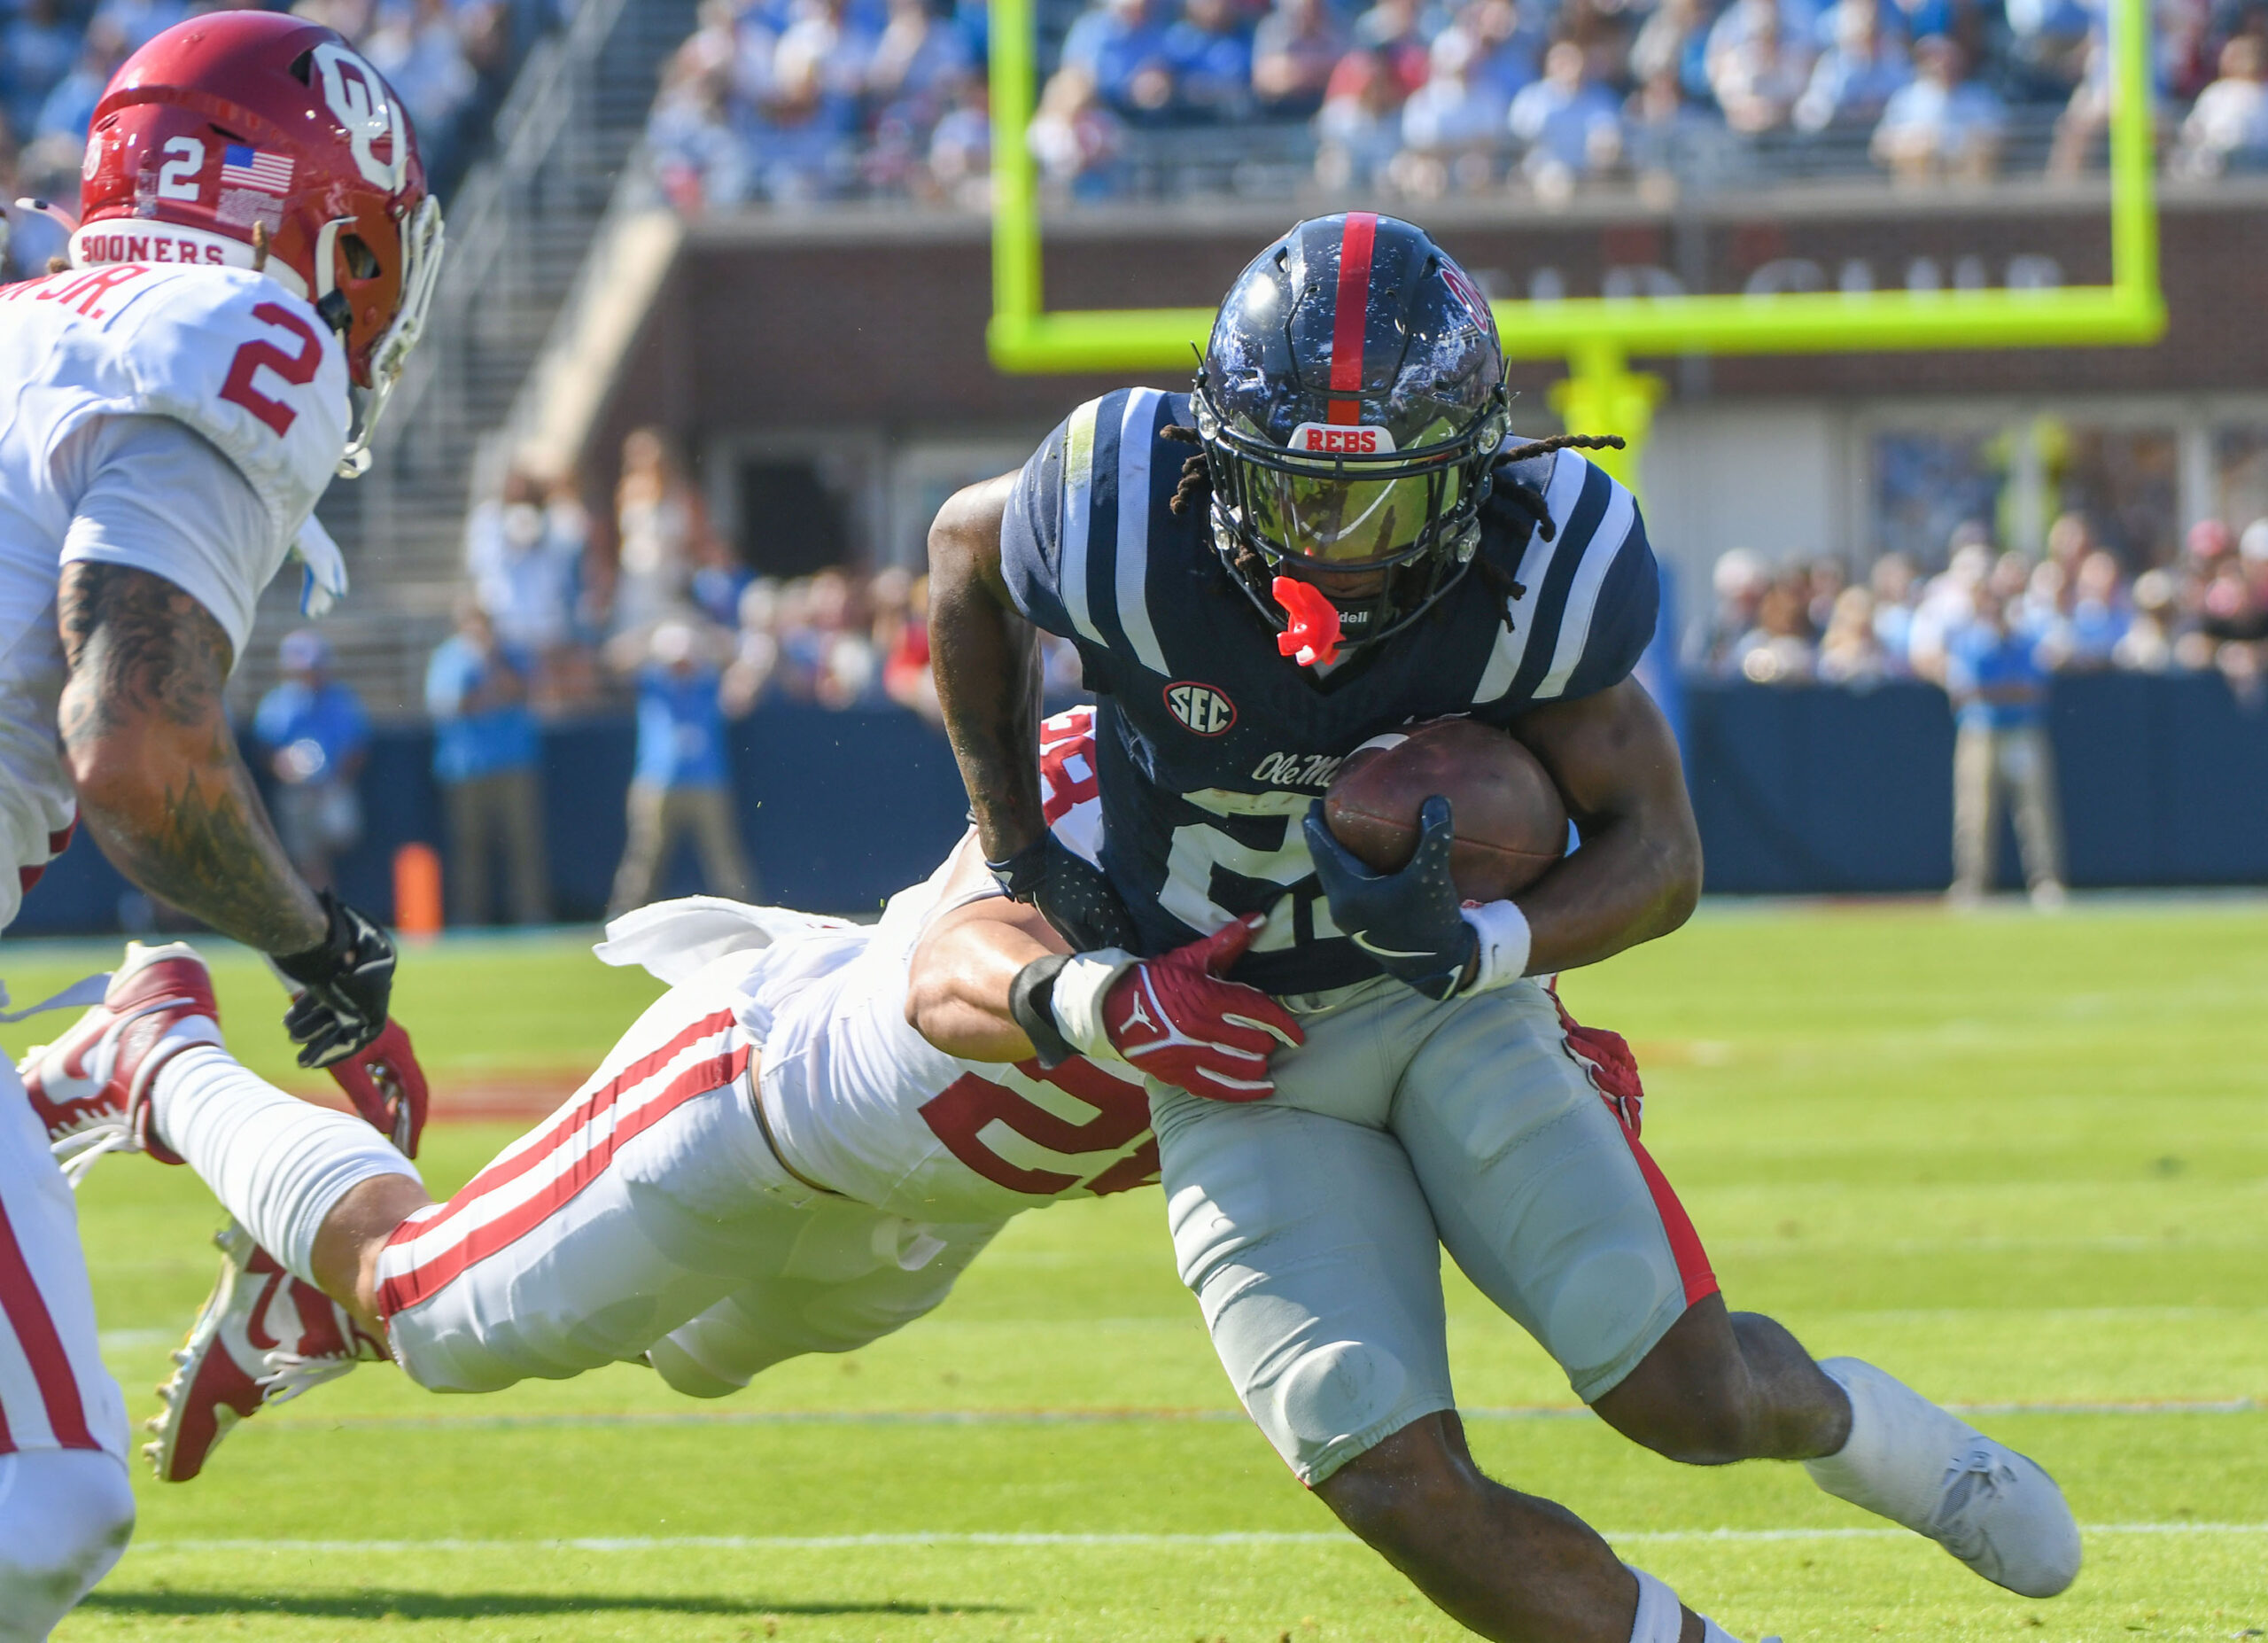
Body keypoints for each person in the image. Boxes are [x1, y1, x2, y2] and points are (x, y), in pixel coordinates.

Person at [923, 213, 2082, 1643]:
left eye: (1386, 505)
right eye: (1297, 492)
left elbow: (1662, 853)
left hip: (1447, 1005)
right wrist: (1016, 841)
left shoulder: (1540, 567)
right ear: (1214, 459)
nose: (1336, 550)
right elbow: (964, 549)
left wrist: (1489, 947)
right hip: (1238, 1054)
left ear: (1474, 474)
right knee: (1373, 1451)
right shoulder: (1119, 506)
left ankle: (1880, 1436)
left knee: (1688, 1394)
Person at [25, 709, 1294, 1483]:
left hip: (932, 1213)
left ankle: (316, 1305)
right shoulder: (1110, 780)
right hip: (755, 1098)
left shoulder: (1367, 897)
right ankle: (160, 1056)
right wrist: (1105, 1003)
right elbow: (950, 975)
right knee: (432, 1315)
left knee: (696, 1356)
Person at [0, 12, 441, 1634]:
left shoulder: (27, 320)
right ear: (328, 229)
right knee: (44, 1507)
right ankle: (123, 1068)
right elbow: (136, 754)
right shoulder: (233, 328)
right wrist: (319, 943)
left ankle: (116, 1070)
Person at [606, 619, 757, 916]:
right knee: (643, 860)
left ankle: (748, 918)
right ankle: (622, 918)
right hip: (657, 783)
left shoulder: (709, 685)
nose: (682, 665)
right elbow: (614, 660)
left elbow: (743, 684)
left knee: (725, 859)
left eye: (687, 658)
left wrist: (708, 637)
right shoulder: (653, 684)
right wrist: (651, 637)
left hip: (707, 784)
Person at [426, 601, 550, 928]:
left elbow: (523, 691)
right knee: (468, 846)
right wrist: (476, 669)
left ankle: (531, 914)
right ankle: (470, 917)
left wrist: (493, 662)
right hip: (466, 767)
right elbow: (452, 705)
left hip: (513, 762)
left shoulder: (512, 654)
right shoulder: (449, 658)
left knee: (522, 843)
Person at [1944, 588, 2068, 908]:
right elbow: (1965, 692)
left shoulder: (2026, 644)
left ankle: (2046, 880)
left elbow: (2034, 689)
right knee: (1974, 812)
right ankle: (1972, 882)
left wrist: (1992, 692)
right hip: (1980, 733)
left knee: (2035, 810)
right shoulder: (1969, 644)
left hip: (2022, 733)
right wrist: (2005, 691)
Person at [252, 630, 371, 895]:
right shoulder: (276, 702)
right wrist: (285, 768)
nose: (310, 675)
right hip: (297, 791)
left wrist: (333, 782)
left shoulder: (341, 699)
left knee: (340, 837)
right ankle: (322, 903)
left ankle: (326, 896)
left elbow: (357, 748)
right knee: (307, 853)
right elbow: (267, 751)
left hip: (333, 787)